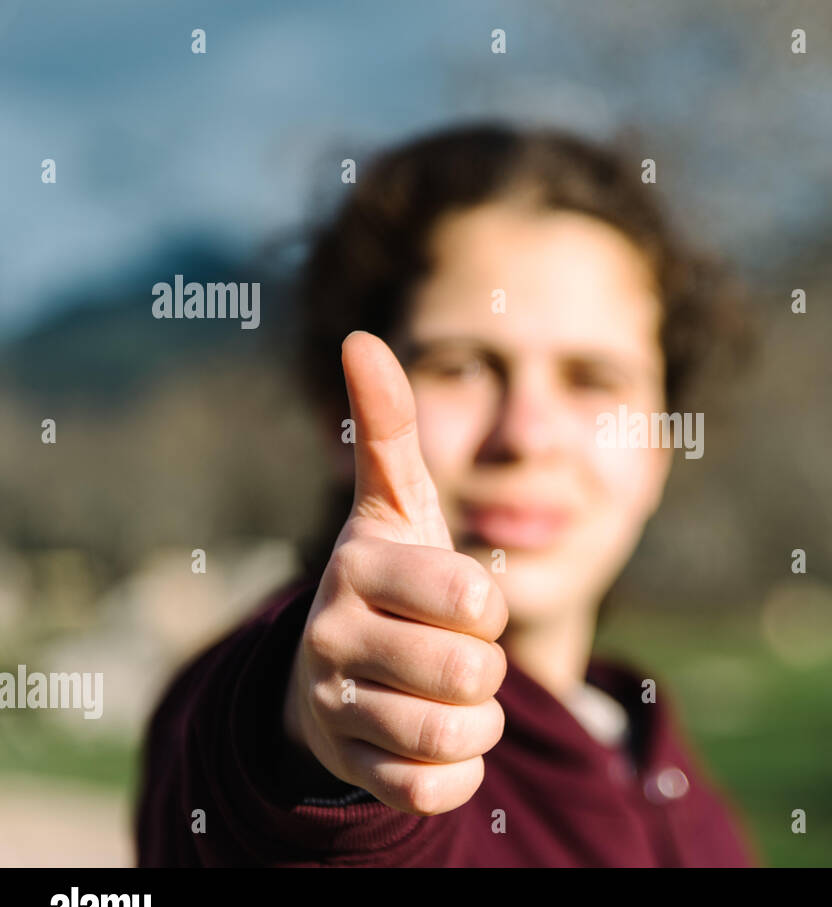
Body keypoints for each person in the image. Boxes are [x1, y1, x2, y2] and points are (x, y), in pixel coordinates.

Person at [135, 122, 759, 866]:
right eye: (462, 367)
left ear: (660, 442)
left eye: (594, 379)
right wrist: (320, 755)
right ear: (341, 419)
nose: (526, 435)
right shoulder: (262, 703)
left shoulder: (663, 760)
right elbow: (254, 810)